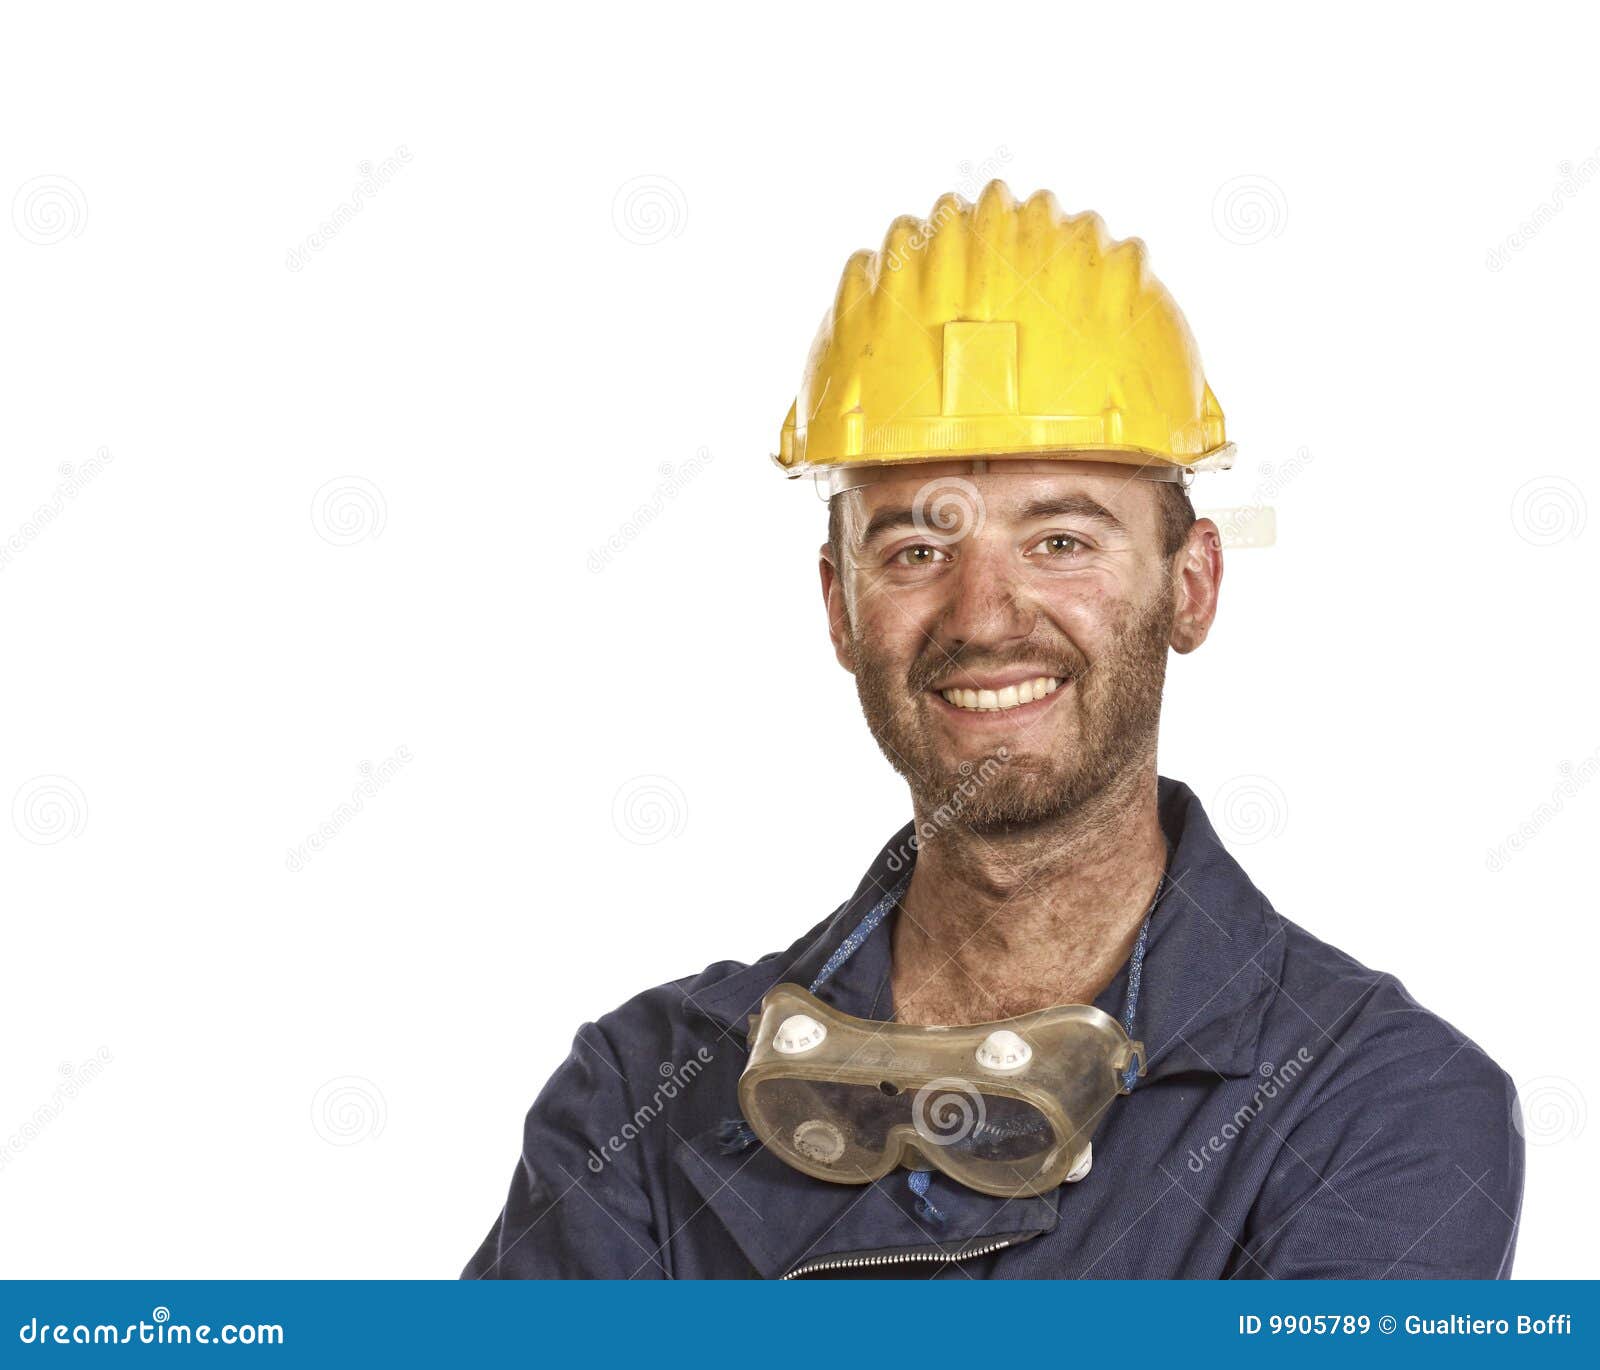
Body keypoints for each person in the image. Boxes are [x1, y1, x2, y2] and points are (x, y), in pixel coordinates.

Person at [463, 182, 1523, 1279]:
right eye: (917, 550)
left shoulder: (1374, 1105)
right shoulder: (647, 1093)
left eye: (1061, 539)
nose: (982, 617)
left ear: (1192, 585)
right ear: (840, 606)